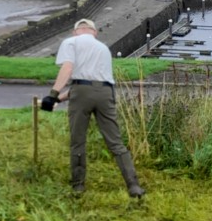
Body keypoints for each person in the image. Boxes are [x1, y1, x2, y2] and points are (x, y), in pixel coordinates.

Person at [40, 19, 145, 198]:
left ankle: (78, 185)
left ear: (75, 31)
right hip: (106, 92)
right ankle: (133, 185)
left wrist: (52, 94)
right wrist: (59, 98)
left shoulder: (71, 42)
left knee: (78, 140)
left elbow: (69, 69)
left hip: (81, 92)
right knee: (115, 141)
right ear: (94, 32)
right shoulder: (103, 48)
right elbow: (92, 80)